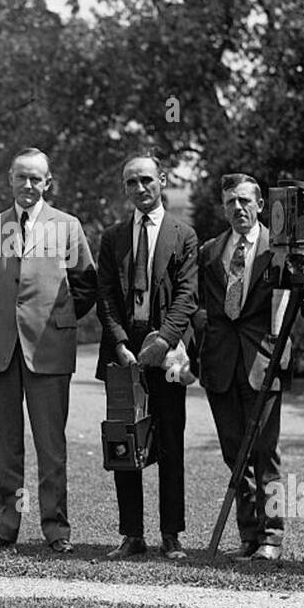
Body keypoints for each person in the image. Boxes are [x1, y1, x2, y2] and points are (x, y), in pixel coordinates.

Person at [0, 148, 97, 554]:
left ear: (47, 183)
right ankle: (6, 525)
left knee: (50, 445)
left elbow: (87, 283)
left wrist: (62, 316)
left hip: (49, 351)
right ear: (10, 178)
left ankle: (56, 528)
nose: (27, 185)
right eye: (21, 177)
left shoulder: (68, 226)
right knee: (6, 444)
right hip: (1, 350)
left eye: (35, 179)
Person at [95, 155, 198, 561]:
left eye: (146, 180)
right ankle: (131, 534)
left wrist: (165, 341)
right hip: (124, 351)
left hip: (168, 351)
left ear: (162, 181)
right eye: (131, 182)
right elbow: (105, 296)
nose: (140, 188)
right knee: (125, 442)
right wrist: (121, 342)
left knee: (170, 442)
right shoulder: (113, 237)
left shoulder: (183, 234)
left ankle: (171, 534)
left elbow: (188, 295)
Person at [193, 173, 289, 562]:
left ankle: (272, 536)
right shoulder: (210, 251)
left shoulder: (278, 249)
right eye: (231, 201)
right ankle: (248, 535)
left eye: (246, 201)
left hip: (262, 363)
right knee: (235, 456)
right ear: (223, 206)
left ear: (261, 205)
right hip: (220, 365)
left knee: (267, 455)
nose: (238, 208)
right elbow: (202, 309)